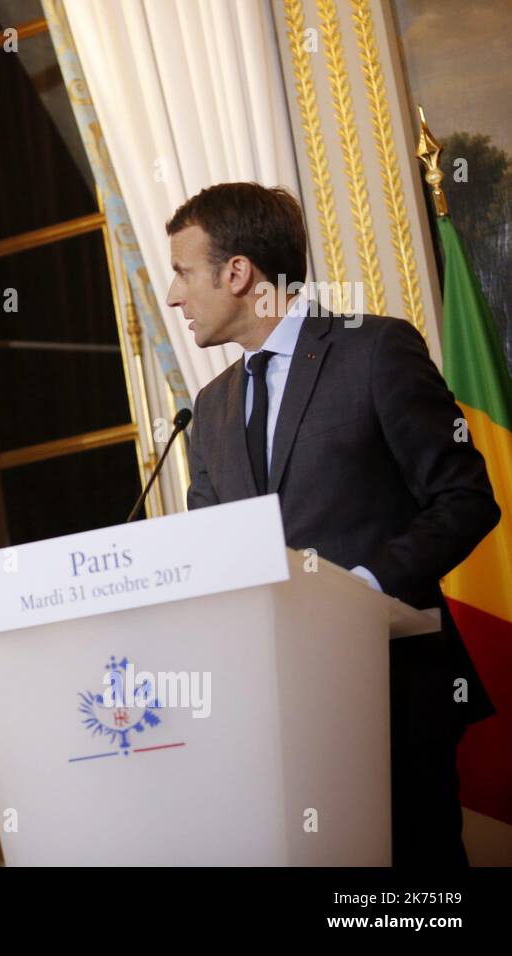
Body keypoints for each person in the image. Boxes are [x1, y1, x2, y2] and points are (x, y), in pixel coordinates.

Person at [167, 182, 500, 865]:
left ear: (237, 273)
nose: (174, 296)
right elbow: (212, 554)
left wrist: (361, 591)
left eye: (182, 272)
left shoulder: (375, 351)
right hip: (278, 718)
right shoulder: (209, 406)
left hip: (393, 695)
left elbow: (466, 498)